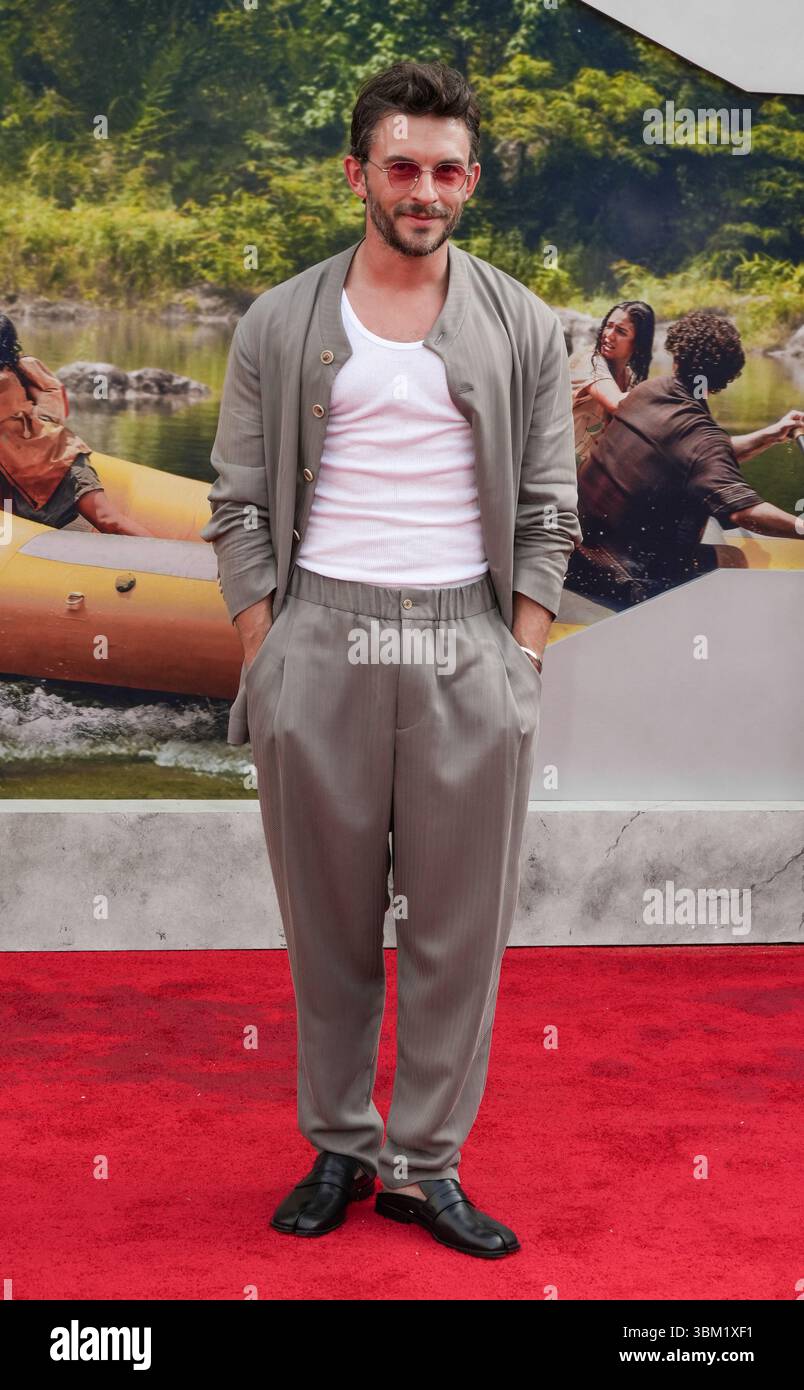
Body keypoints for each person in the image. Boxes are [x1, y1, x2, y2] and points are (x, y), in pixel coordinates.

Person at [201, 60, 582, 1258]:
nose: (426, 189)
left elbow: (552, 513)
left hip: (466, 642)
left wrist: (519, 661)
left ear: (470, 180)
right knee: (327, 920)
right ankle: (340, 1144)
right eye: (403, 166)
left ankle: (426, 1163)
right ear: (358, 170)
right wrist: (268, 651)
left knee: (457, 927)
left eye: (448, 170)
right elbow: (238, 506)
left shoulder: (524, 322)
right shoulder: (279, 321)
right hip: (319, 637)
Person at [564, 309, 804, 608]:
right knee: (735, 558)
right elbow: (746, 513)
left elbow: (697, 456)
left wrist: (771, 435)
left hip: (576, 555)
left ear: (677, 355)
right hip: (623, 577)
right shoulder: (702, 438)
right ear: (725, 379)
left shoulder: (648, 392)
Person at [0, 314, 152, 535]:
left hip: (57, 462)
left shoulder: (14, 372)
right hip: (18, 478)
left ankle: (176, 564)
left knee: (108, 520)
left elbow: (54, 402)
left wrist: (36, 420)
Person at [568, 300, 655, 467]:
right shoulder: (589, 360)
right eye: (608, 326)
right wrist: (668, 389)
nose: (609, 335)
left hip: (583, 477)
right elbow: (616, 403)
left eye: (621, 331)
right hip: (554, 471)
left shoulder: (630, 378)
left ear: (638, 344)